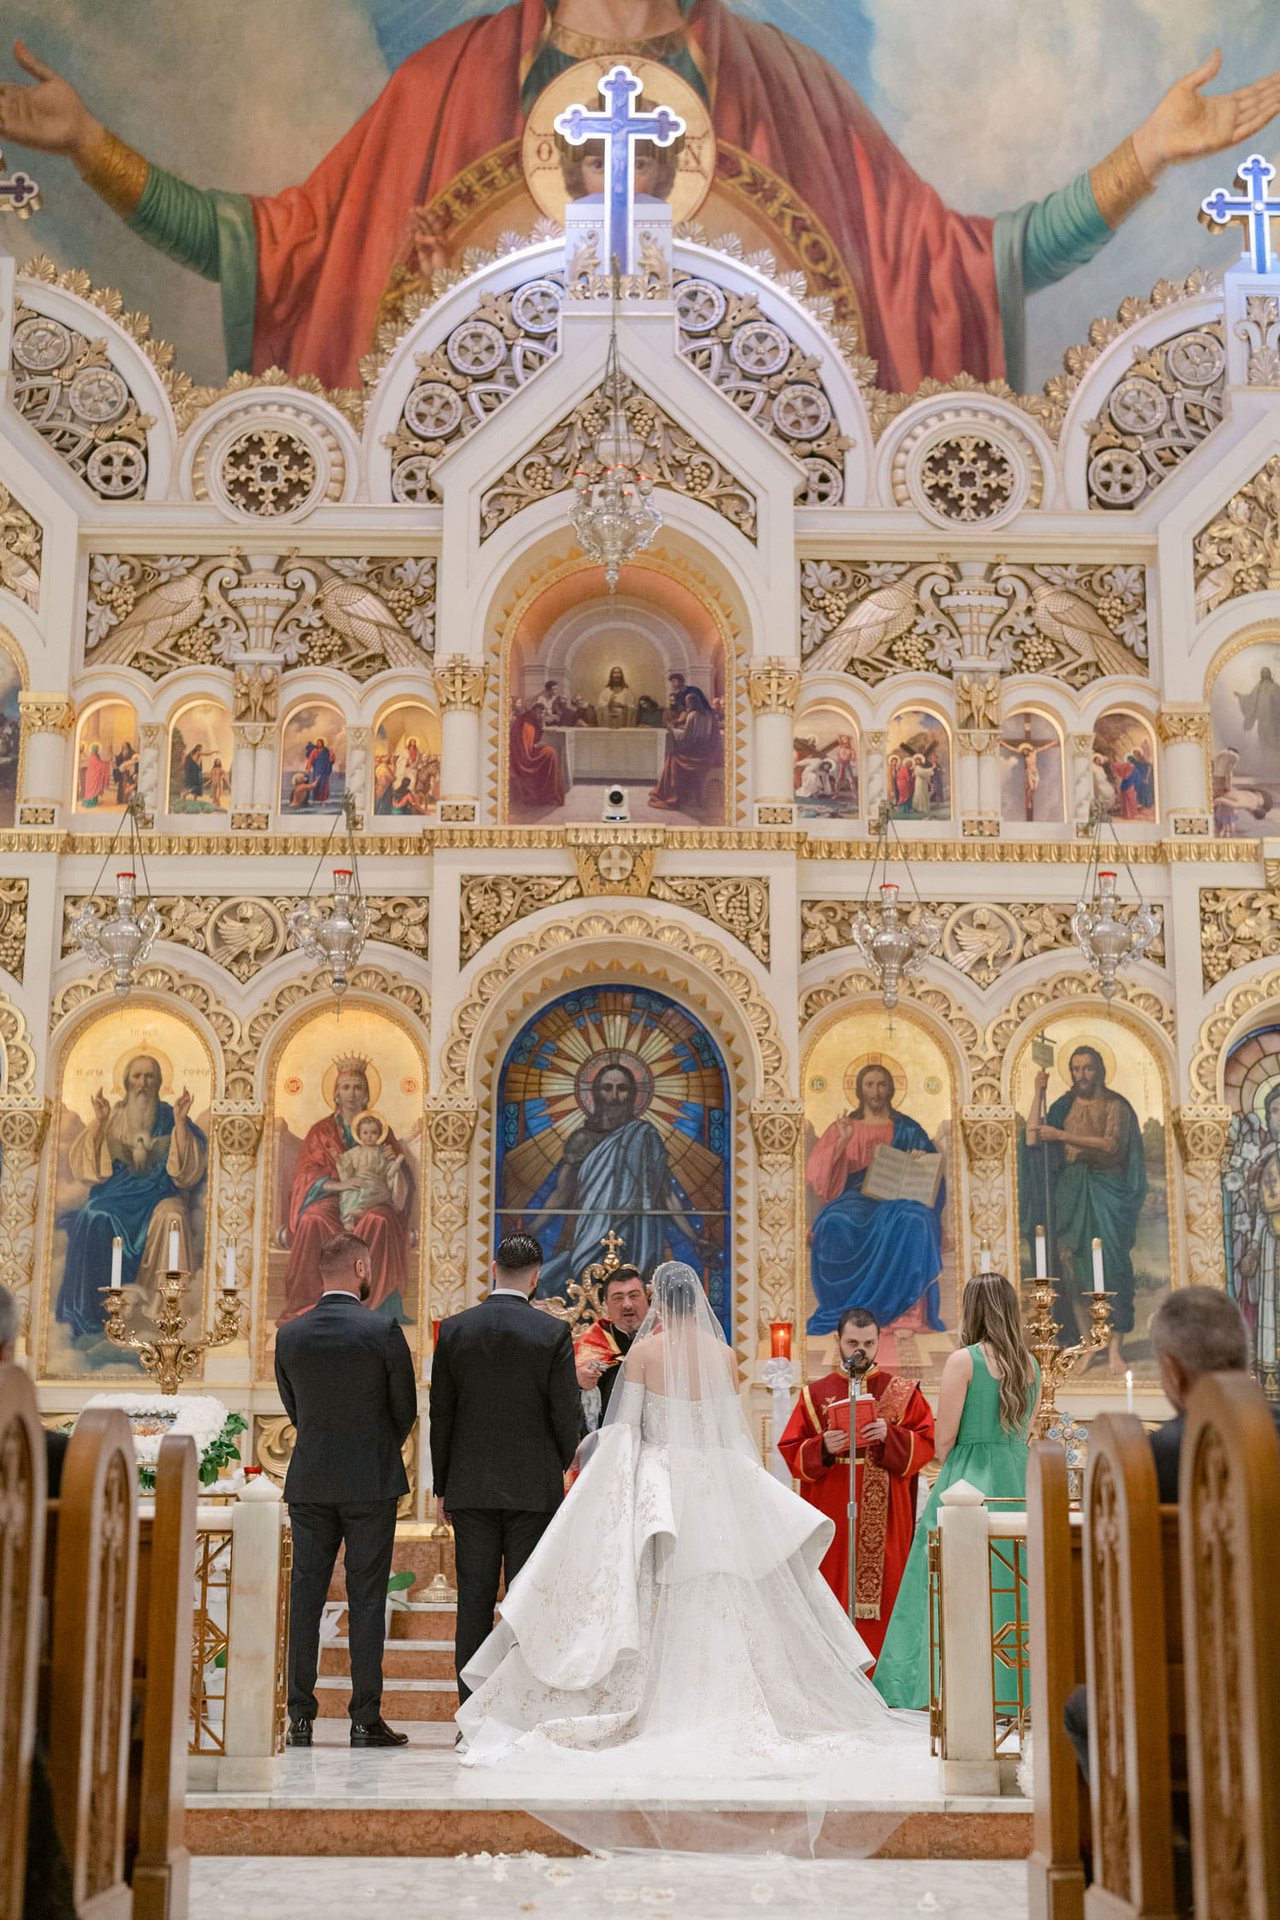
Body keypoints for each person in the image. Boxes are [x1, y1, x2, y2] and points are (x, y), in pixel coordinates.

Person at [3, 23, 1270, 394]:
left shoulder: (788, 91)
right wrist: (93, 145)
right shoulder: (445, 87)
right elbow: (273, 254)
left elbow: (957, 266)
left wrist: (1140, 158)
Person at [456, 1262, 932, 1813]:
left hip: (660, 1486)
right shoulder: (724, 1357)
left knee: (651, 1592)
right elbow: (730, 1437)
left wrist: (597, 1469)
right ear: (701, 1301)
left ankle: (653, 1703)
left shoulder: (644, 1355)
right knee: (726, 1589)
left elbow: (626, 1431)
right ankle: (726, 1702)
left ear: (658, 1302)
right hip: (716, 1484)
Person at [1062, 1288, 1280, 1785]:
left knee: (1083, 1709)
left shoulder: (1152, 1459)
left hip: (1205, 1687)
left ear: (1174, 1372)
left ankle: (1166, 1850)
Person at [275, 1230, 417, 1751]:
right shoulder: (382, 1330)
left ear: (320, 1273)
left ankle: (301, 1719)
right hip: (370, 1481)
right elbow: (405, 1408)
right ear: (361, 1268)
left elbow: (294, 1406)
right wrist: (376, 1444)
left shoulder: (290, 1335)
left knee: (305, 1597)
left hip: (310, 1480)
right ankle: (364, 1719)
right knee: (367, 1596)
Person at [429, 1233, 582, 1715]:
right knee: (525, 1602)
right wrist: (559, 1464)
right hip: (534, 1490)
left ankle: (469, 1714)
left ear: (493, 1267)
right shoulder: (552, 1333)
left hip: (469, 1488)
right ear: (537, 1276)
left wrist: (443, 1486)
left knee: (472, 1603)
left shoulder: (453, 1330)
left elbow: (442, 1414)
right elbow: (565, 1414)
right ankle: (517, 1712)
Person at [874, 1273, 1040, 1710]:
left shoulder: (963, 1361)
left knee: (947, 1581)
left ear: (972, 1310)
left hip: (968, 1478)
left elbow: (943, 1438)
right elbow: (1024, 1430)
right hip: (1017, 1478)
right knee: (1013, 1581)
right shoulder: (1031, 1364)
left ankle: (933, 1689)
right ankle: (1012, 1692)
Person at [777, 1306, 935, 1666]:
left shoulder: (903, 1392)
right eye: (852, 1342)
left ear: (879, 1341)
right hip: (832, 1503)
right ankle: (830, 1673)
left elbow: (926, 1442)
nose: (859, 1350)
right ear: (838, 1341)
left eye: (868, 1342)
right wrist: (823, 1447)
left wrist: (889, 1435)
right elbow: (791, 1452)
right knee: (829, 1588)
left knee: (886, 1592)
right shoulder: (815, 1394)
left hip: (885, 1513)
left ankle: (881, 1675)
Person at [524, 1059, 709, 1296]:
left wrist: (695, 1238)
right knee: (587, 1287)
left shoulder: (646, 1136)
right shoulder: (582, 1139)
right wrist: (531, 1230)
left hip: (640, 1232)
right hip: (592, 1234)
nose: (614, 1096)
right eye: (607, 1088)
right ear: (595, 1094)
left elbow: (665, 1196)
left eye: (622, 1088)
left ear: (633, 1095)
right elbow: (561, 1194)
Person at [57, 1056, 207, 1338]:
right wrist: (99, 1123)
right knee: (92, 1214)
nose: (143, 1083)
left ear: (160, 1082)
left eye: (150, 1076)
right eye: (137, 1076)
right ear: (125, 1081)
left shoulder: (169, 1116)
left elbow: (185, 1173)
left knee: (173, 1217)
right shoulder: (113, 1115)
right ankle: (98, 1311)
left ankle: (165, 1312)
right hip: (116, 1196)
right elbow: (89, 1169)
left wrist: (180, 1122)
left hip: (161, 1195)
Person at [1022, 1044, 1145, 1371]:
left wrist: (1062, 1135)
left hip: (1107, 1192)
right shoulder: (1063, 1104)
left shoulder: (1116, 1106)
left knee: (1114, 1264)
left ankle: (1115, 1346)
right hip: (1073, 1193)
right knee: (1074, 1268)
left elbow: (1112, 1145)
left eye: (1087, 1068)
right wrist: (1038, 1093)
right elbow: (1033, 1138)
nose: (1081, 1075)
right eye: (1076, 1069)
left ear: (1100, 1069)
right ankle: (1090, 1344)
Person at [806, 1063, 945, 1336]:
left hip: (898, 1197)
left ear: (891, 1089)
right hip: (855, 1196)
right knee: (834, 1221)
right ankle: (847, 1310)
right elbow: (818, 1175)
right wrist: (842, 1142)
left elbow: (934, 1173)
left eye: (881, 1084)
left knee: (915, 1219)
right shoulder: (844, 1127)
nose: (876, 1091)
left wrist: (918, 1159)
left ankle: (906, 1312)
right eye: (869, 1084)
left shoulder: (908, 1128)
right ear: (859, 1089)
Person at [279, 1056, 414, 1323]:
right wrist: (340, 1185)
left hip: (373, 1200)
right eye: (346, 1087)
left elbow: (401, 1177)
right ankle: (309, 1304)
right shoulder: (321, 1132)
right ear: (336, 1094)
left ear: (366, 1094)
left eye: (357, 1087)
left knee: (380, 1220)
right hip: (330, 1199)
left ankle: (369, 1306)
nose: (351, 1093)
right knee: (311, 1220)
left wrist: (392, 1169)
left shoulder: (381, 1132)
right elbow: (305, 1175)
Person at [574, 1263, 649, 1428]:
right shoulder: (592, 1343)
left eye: (634, 1296)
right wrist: (578, 1381)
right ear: (605, 1304)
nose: (627, 1304)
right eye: (618, 1298)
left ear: (647, 1298)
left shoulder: (664, 1337)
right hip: (607, 1436)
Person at [649, 685, 719, 815]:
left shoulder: (693, 715)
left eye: (687, 703)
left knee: (672, 759)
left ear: (692, 703)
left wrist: (673, 731)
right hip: (707, 752)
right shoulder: (709, 715)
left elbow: (688, 737)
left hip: (696, 755)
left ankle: (671, 794)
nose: (686, 706)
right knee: (673, 757)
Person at [334, 1112, 408, 1232]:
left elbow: (388, 1171)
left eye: (373, 1133)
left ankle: (361, 1209)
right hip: (357, 1179)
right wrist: (341, 1162)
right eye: (365, 1133)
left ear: (379, 1135)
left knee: (368, 1189)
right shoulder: (354, 1152)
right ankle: (348, 1219)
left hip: (376, 1182)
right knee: (348, 1192)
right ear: (359, 1134)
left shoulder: (382, 1152)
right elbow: (347, 1171)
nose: (369, 1136)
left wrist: (394, 1165)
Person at [508, 698, 565, 810]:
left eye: (542, 713)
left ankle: (549, 792)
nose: (541, 715)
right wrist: (537, 746)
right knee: (550, 753)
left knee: (551, 752)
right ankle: (547, 793)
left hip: (528, 751)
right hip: (523, 757)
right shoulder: (527, 724)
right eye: (539, 713)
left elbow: (537, 732)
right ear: (533, 711)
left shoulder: (532, 719)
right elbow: (525, 747)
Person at [1237, 662, 1280, 767]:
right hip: (1262, 720)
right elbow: (1251, 699)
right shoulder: (1258, 687)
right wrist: (1241, 697)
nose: (1265, 674)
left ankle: (1277, 762)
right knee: (1262, 740)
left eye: (1266, 672)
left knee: (1274, 740)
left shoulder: (1275, 687)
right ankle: (1265, 763)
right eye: (1263, 673)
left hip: (1272, 720)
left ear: (1269, 674)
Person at [79, 740, 111, 808]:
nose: (97, 750)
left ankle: (94, 803)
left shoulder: (96, 756)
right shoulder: (93, 756)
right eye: (96, 749)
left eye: (97, 749)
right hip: (92, 776)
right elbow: (99, 764)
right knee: (91, 789)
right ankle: (90, 804)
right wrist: (107, 763)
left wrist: (105, 763)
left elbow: (99, 764)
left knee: (94, 789)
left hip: (94, 775)